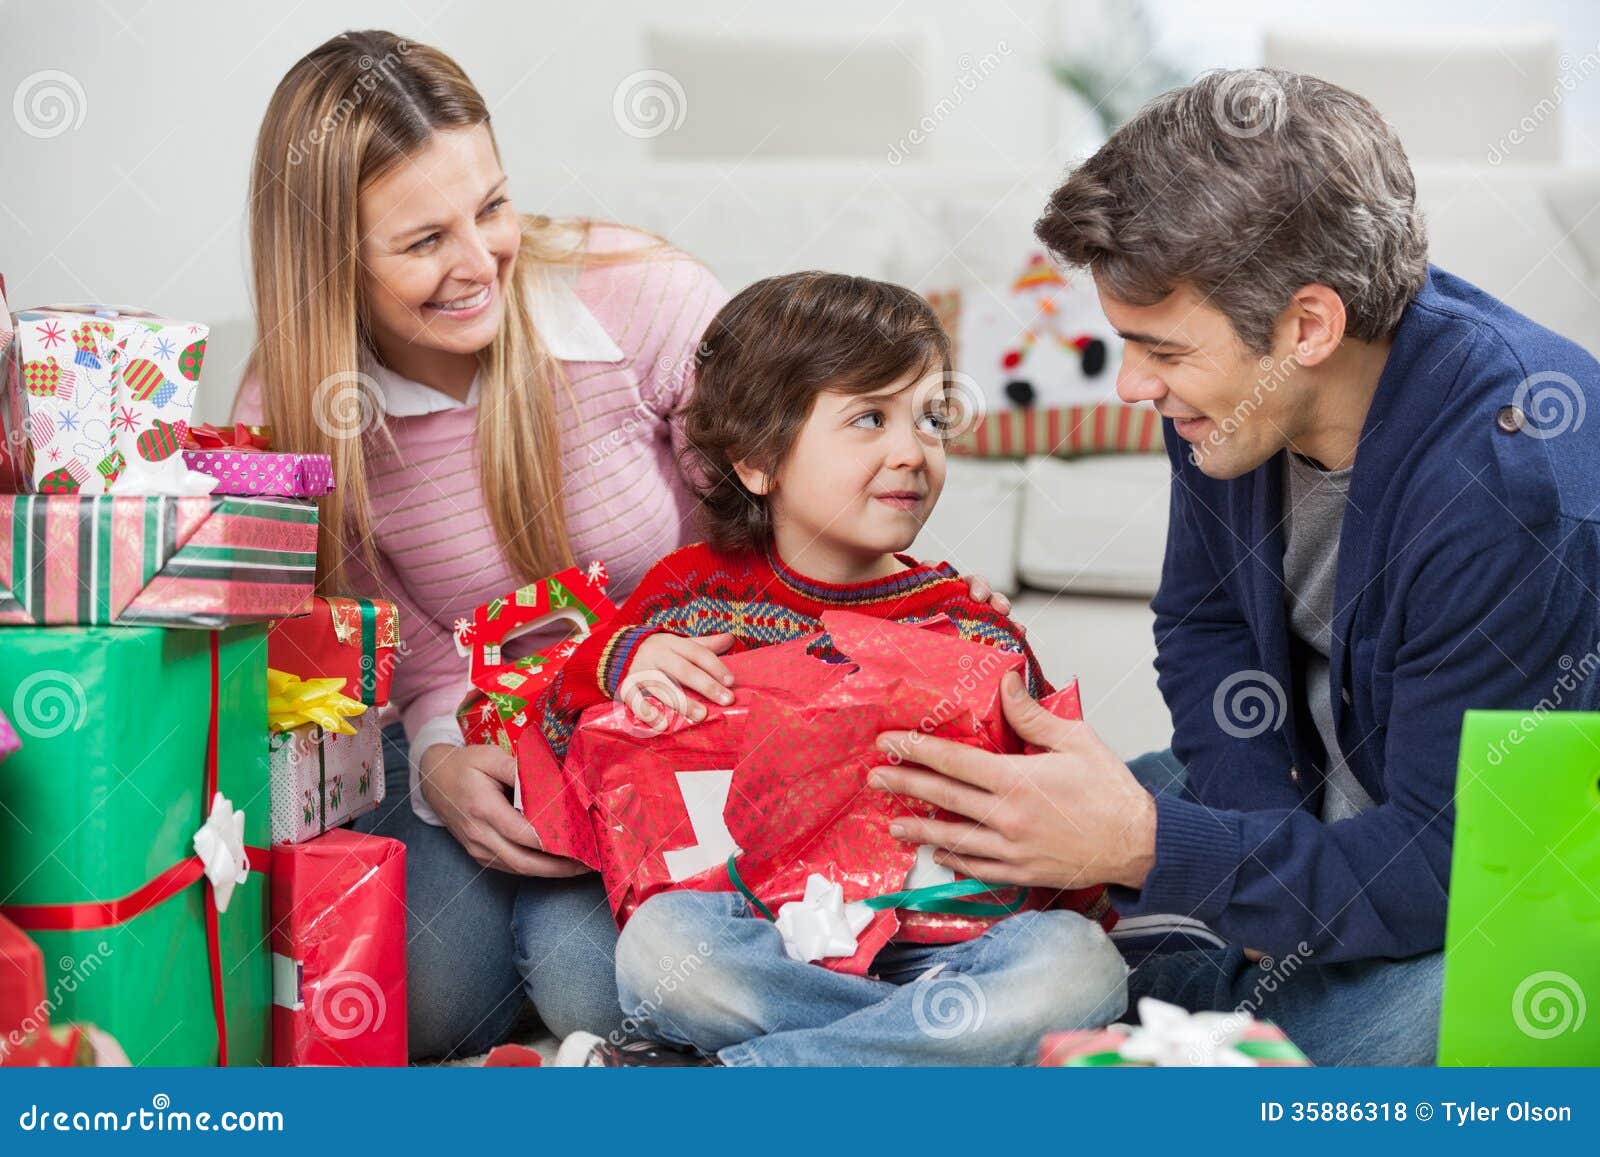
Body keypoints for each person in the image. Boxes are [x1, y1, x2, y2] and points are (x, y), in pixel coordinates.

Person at [235, 30, 1009, 1060]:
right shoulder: (297, 409)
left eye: (492, 207)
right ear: (331, 258)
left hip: (680, 725)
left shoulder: (642, 298)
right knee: (416, 997)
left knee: (596, 981)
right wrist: (441, 762)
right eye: (423, 242)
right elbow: (404, 642)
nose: (479, 264)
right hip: (482, 736)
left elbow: (779, 521)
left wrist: (649, 695)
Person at [865, 69, 1600, 1066]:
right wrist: (1234, 853)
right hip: (1320, 794)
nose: (1133, 383)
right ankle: (1201, 1011)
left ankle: (1183, 1016)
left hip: (1496, 871)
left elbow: (1447, 862)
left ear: (1308, 326)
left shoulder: (1510, 481)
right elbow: (1204, 623)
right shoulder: (1227, 401)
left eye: (1159, 348)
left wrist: (1151, 850)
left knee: (1439, 1014)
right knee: (999, 842)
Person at [544, 272, 1128, 1067]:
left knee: (1079, 964)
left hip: (948, 949)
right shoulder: (689, 590)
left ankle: (748, 1076)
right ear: (757, 458)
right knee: (659, 947)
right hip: (766, 941)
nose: (910, 450)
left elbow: (1053, 798)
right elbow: (564, 703)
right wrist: (628, 658)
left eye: (930, 418)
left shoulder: (969, 622)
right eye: (868, 418)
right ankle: (919, 1058)